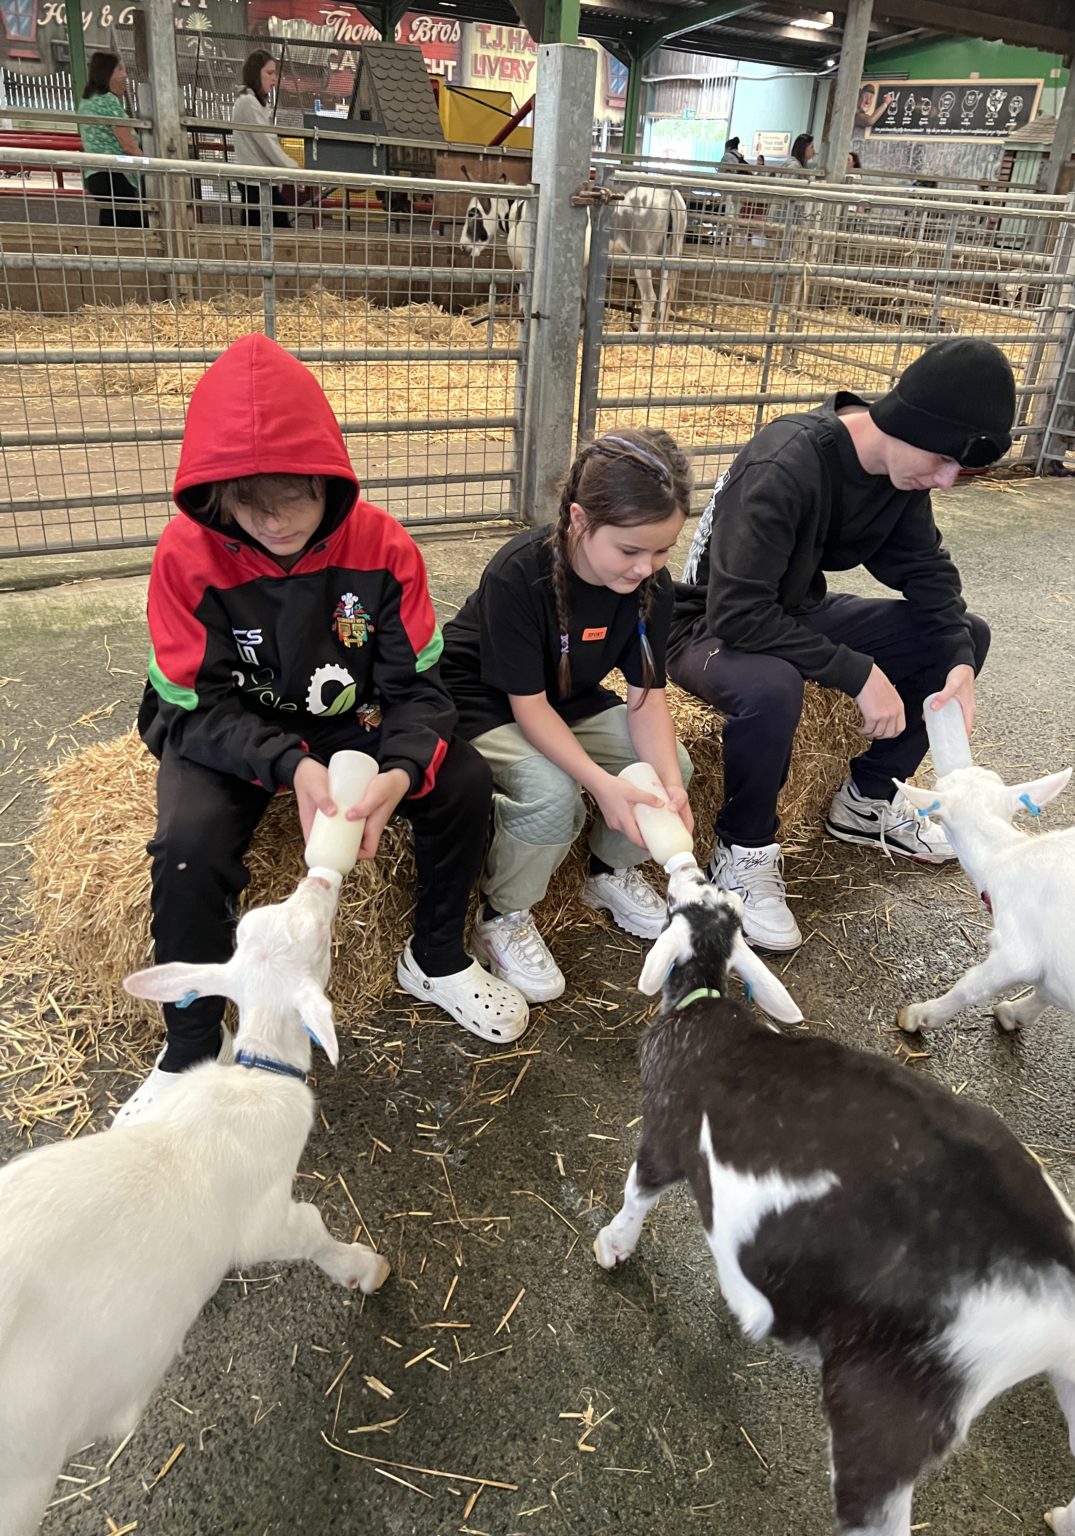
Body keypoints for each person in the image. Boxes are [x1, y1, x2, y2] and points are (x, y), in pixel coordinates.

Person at [117, 334, 528, 1123]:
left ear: (329, 482)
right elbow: (191, 706)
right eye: (247, 501)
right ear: (215, 493)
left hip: (354, 718)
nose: (271, 520)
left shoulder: (383, 546)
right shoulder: (187, 554)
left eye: (292, 498)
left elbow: (421, 691)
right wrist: (290, 767)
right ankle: (192, 1044)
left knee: (465, 781)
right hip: (234, 729)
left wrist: (401, 771)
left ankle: (435, 958)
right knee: (187, 846)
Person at [668, 339, 1015, 952]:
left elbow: (927, 573)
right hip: (706, 624)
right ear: (909, 424)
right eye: (942, 460)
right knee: (772, 685)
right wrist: (857, 673)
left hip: (794, 609)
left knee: (964, 634)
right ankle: (742, 851)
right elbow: (738, 611)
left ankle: (869, 800)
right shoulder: (785, 465)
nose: (948, 479)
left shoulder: (900, 476)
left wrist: (959, 665)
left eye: (960, 468)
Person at [439, 429, 695, 1004]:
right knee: (552, 793)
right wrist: (600, 784)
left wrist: (672, 788)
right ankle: (502, 912)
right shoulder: (519, 573)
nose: (645, 568)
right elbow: (527, 707)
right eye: (630, 551)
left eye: (661, 552)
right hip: (485, 698)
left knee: (669, 765)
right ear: (579, 520)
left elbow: (647, 696)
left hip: (567, 694)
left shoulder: (652, 585)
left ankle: (608, 874)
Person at [78, 51, 148, 228]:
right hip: (116, 175)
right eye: (119, 69)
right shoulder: (108, 101)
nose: (124, 75)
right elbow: (128, 146)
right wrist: (153, 167)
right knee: (133, 225)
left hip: (96, 175)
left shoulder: (87, 101)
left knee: (111, 221)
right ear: (106, 73)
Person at [231, 50, 299, 229]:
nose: (274, 79)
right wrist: (294, 170)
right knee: (278, 233)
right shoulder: (249, 102)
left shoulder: (250, 101)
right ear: (256, 73)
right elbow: (268, 144)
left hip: (257, 181)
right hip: (257, 183)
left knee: (258, 233)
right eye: (269, 73)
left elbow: (268, 142)